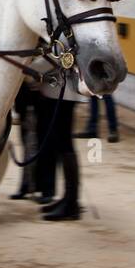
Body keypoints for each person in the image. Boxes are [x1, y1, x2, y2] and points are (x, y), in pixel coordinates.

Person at [33, 73, 86, 221]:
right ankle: (68, 198)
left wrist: (28, 69)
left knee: (64, 144)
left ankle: (71, 203)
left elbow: (54, 56)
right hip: (58, 90)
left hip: (64, 92)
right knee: (61, 144)